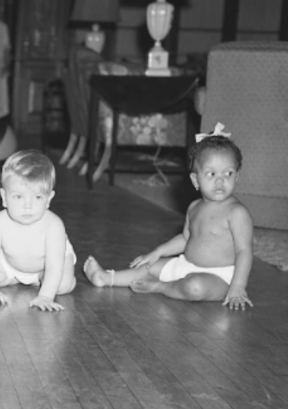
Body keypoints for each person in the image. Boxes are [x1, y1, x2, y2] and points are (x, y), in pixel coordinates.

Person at [83, 123, 253, 310]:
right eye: (211, 173)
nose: (220, 180)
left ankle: (160, 287)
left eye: (228, 173)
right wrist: (158, 252)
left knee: (194, 287)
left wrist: (237, 287)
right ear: (196, 180)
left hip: (219, 277)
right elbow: (186, 239)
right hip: (185, 265)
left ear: (237, 177)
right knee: (148, 267)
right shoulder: (194, 207)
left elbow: (244, 251)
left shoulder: (237, 213)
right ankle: (108, 278)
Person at [0, 149, 77, 311]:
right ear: (4, 197)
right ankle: (15, 279)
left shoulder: (53, 226)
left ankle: (43, 280)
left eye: (38, 197)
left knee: (62, 285)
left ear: (48, 199)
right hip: (10, 265)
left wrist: (45, 296)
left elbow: (53, 265)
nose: (28, 205)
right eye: (18, 196)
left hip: (49, 265)